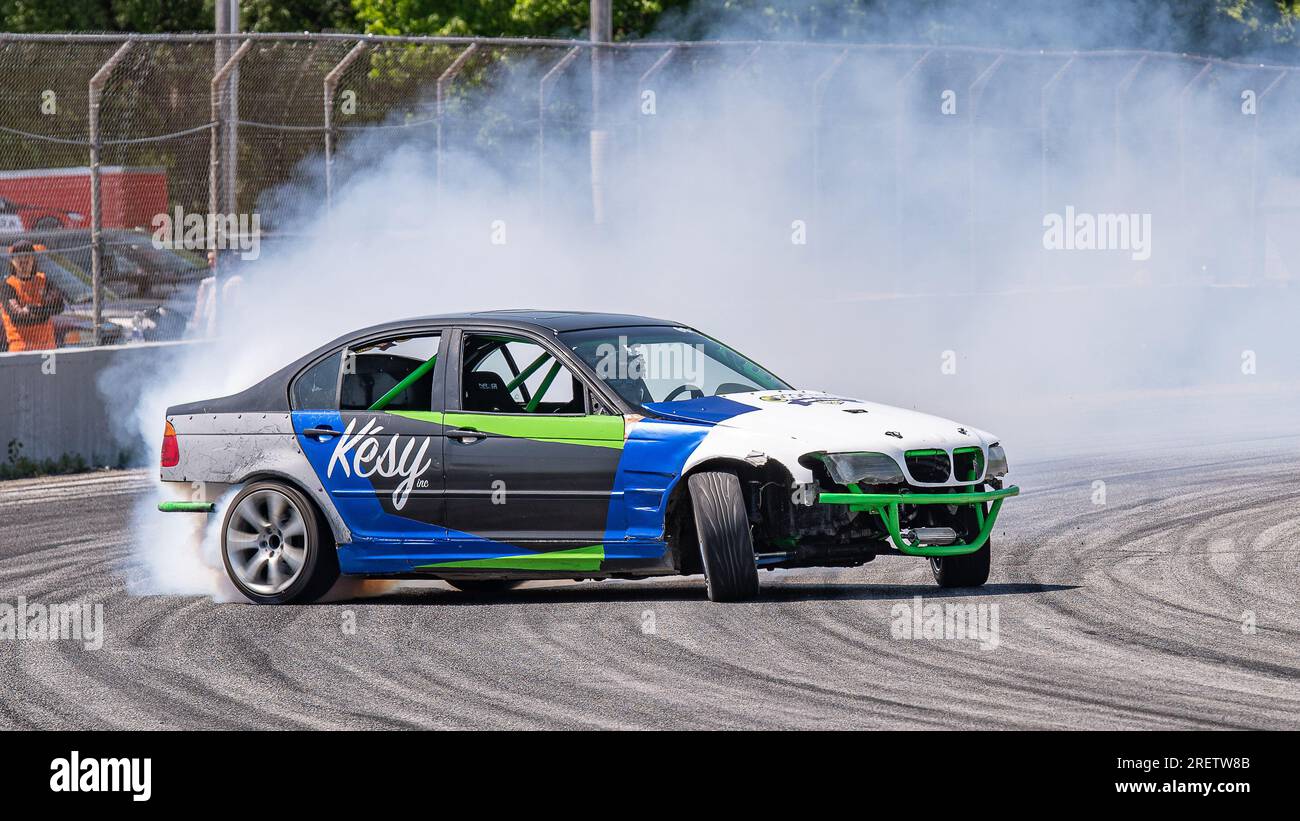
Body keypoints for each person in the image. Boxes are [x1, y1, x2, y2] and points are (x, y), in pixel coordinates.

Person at [1, 239, 64, 352]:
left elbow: (59, 306)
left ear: (33, 259)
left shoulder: (43, 280)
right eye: (19, 256)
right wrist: (45, 312)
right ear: (12, 261)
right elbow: (17, 318)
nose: (24, 260)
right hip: (21, 347)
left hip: (47, 347)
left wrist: (31, 309)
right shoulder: (8, 286)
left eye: (27, 256)